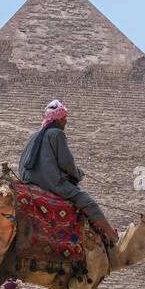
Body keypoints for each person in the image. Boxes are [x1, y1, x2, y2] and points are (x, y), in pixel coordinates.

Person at [18, 99, 119, 245]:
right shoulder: (57, 134)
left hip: (28, 180)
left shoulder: (35, 135)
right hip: (49, 183)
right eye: (64, 118)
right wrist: (77, 174)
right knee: (87, 201)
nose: (66, 121)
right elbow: (66, 163)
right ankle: (113, 237)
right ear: (57, 119)